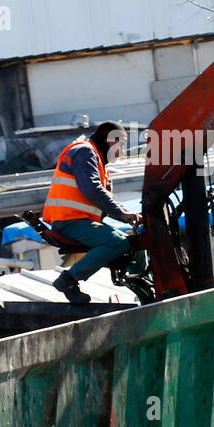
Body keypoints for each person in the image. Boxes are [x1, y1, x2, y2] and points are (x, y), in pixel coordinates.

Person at [43, 121, 142, 304]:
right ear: (110, 140)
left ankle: (137, 282)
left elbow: (101, 199)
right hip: (70, 220)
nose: (121, 151)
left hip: (79, 220)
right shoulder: (85, 152)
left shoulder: (97, 160)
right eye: (120, 145)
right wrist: (122, 214)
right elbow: (92, 190)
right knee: (116, 243)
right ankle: (68, 280)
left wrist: (128, 215)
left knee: (133, 242)